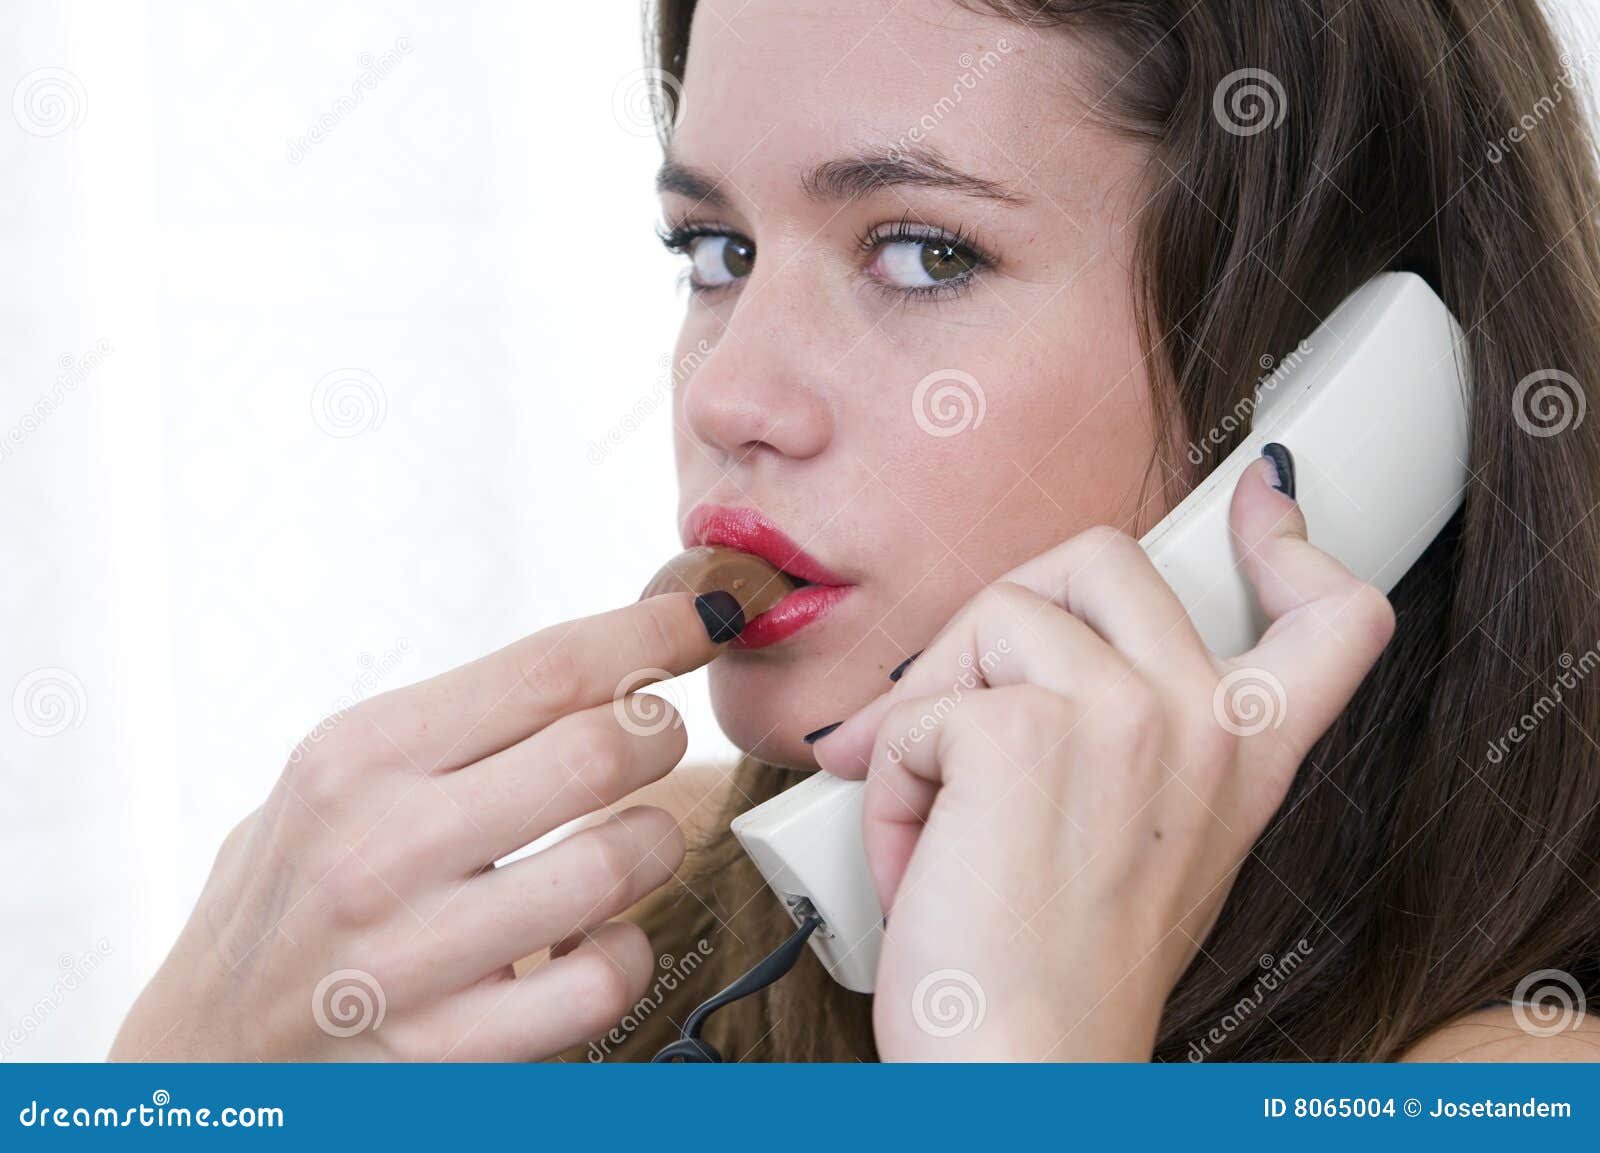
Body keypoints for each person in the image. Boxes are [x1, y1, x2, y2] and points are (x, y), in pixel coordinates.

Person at [114, 0, 1600, 1061]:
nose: (732, 395)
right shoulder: (605, 937)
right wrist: (182, 1078)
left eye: (921, 251)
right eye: (717, 251)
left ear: (1343, 388)